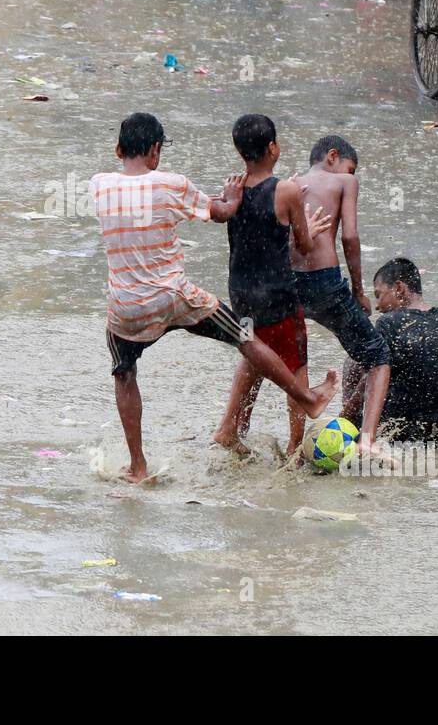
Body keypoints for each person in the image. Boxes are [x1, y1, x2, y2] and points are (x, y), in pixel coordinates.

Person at [92, 113, 339, 485]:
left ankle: (139, 466)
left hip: (124, 307)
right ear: (156, 151)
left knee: (124, 374)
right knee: (244, 337)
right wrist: (233, 198)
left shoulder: (99, 185)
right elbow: (222, 212)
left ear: (117, 149)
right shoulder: (171, 184)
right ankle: (307, 398)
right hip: (175, 297)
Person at [213, 115, 333, 457]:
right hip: (277, 295)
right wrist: (308, 224)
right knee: (295, 365)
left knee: (255, 354)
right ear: (272, 147)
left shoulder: (232, 190)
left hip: (241, 294)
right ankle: (296, 448)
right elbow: (305, 246)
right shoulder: (288, 190)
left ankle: (231, 428)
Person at [289, 136, 393, 456]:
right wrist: (359, 291)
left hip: (287, 285)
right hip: (325, 284)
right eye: (350, 166)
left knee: (294, 362)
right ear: (333, 157)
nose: (351, 172)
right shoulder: (346, 182)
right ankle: (366, 441)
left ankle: (294, 445)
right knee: (378, 356)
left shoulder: (289, 185)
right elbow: (349, 235)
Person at [341, 257, 438, 443]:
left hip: (394, 436)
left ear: (399, 289)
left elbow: (369, 382)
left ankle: (353, 430)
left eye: (379, 295)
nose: (377, 305)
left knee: (354, 358)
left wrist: (342, 418)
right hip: (435, 434)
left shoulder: (388, 323)